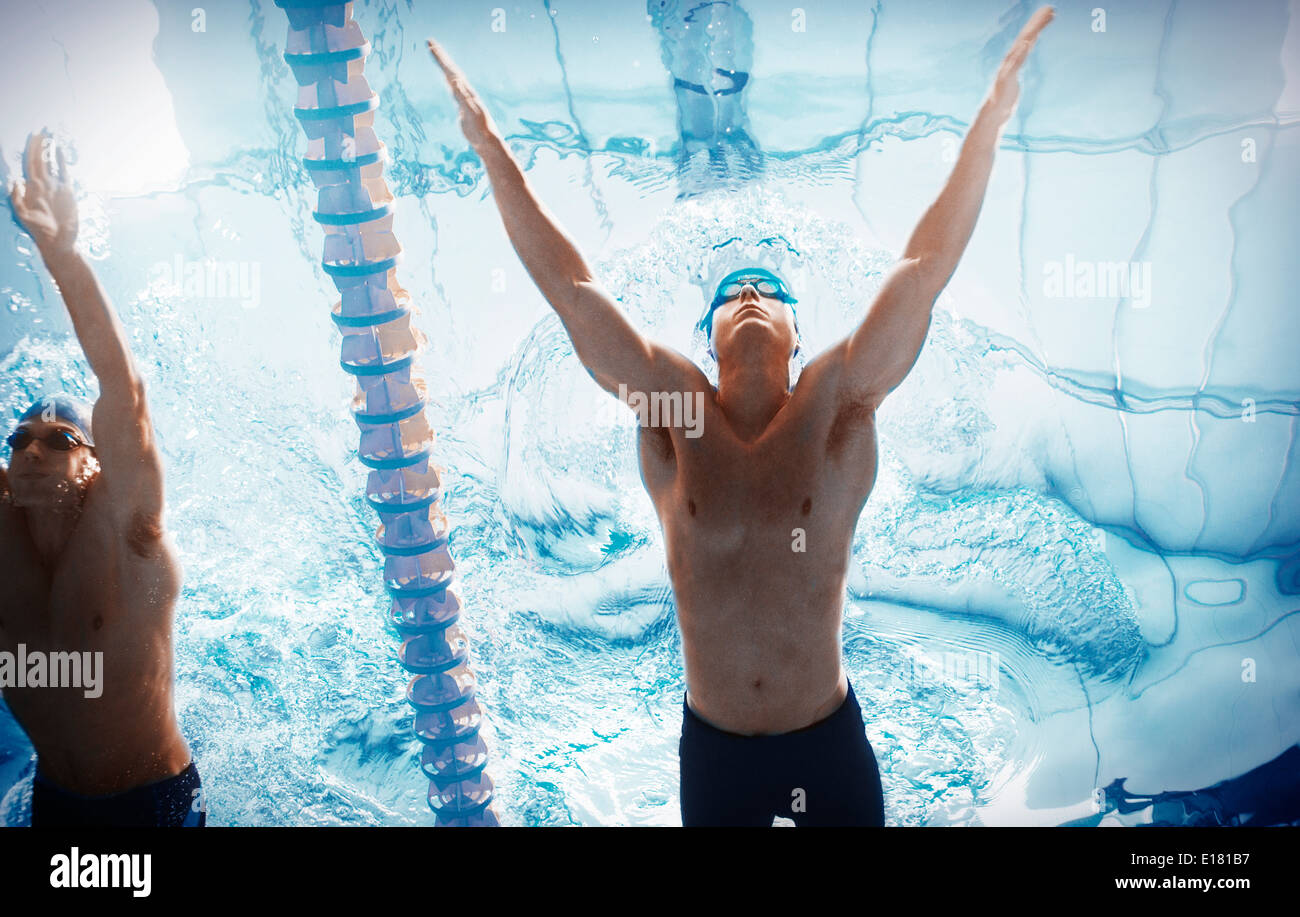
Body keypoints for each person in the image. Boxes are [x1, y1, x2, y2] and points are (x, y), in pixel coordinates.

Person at [427, 5, 1054, 826]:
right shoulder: (674, 405)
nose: (751, 297)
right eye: (733, 295)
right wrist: (487, 145)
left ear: (798, 338)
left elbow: (922, 272)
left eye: (769, 292)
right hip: (716, 755)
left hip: (825, 741)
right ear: (709, 335)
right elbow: (574, 296)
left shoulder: (837, 404)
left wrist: (991, 123)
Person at [2, 132, 203, 826]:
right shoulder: (4, 523)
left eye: (59, 440)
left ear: (95, 464)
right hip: (52, 803)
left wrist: (60, 255)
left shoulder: (128, 531)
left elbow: (124, 391)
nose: (32, 452)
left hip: (151, 804)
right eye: (19, 441)